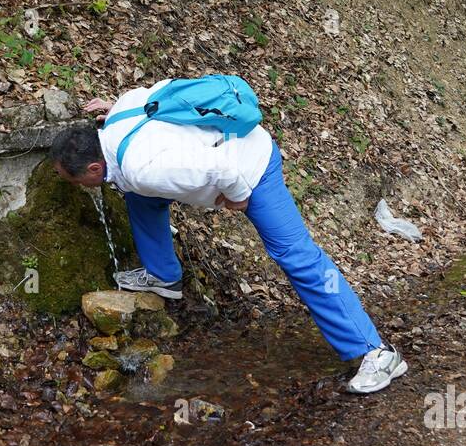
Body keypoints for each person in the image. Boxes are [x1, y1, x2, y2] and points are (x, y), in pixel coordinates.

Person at [49, 79, 407, 394]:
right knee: (138, 195)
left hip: (252, 164)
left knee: (297, 257)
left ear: (95, 167)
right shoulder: (119, 116)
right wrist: (114, 110)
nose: (76, 185)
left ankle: (375, 351)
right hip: (220, 151)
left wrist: (239, 197)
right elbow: (155, 94)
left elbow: (223, 171)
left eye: (74, 179)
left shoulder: (142, 170)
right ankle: (162, 276)